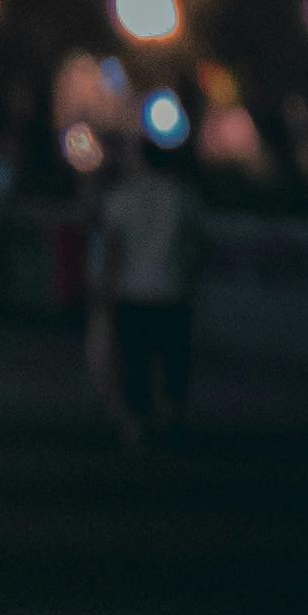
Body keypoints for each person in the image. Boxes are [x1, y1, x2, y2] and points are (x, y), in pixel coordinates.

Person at [105, 138, 201, 442]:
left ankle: (137, 427)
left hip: (133, 291)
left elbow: (113, 250)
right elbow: (198, 246)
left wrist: (107, 290)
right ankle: (173, 419)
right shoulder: (183, 196)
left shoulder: (122, 198)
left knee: (136, 363)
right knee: (174, 361)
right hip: (173, 290)